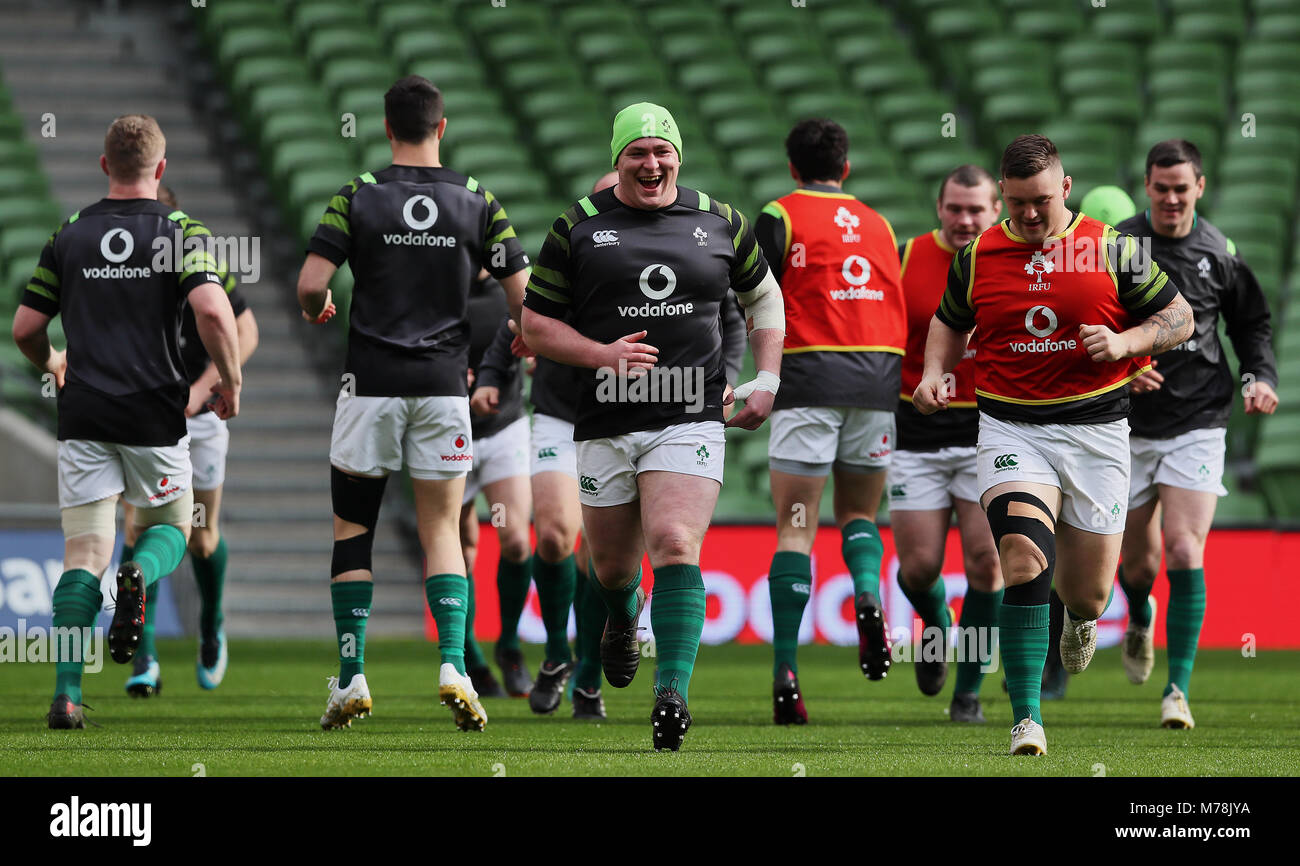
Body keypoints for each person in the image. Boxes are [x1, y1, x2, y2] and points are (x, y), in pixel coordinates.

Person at [914, 134, 1193, 756]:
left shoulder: (1113, 248)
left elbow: (1180, 319)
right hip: (1011, 429)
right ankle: (1027, 718)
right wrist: (936, 374)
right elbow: (948, 321)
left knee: (1089, 592)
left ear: (1065, 189)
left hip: (1096, 433)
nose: (1029, 215)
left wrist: (1126, 344)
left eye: (1040, 200)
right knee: (1019, 556)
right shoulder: (981, 253)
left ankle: (1084, 618)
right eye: (1016, 203)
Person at [521, 102, 785, 750]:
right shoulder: (577, 228)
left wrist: (767, 376)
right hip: (604, 419)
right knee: (612, 570)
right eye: (637, 152)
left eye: (662, 151)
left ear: (679, 156)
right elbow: (534, 326)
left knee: (673, 540)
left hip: (686, 415)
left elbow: (764, 298)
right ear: (617, 160)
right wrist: (601, 354)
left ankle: (672, 694)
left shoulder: (720, 221)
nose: (652, 162)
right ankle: (617, 622)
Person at [298, 76, 530, 732]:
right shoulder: (477, 200)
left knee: (353, 532)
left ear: (385, 126)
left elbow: (311, 284)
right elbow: (525, 299)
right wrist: (525, 341)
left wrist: (321, 308)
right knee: (442, 532)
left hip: (369, 383)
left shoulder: (358, 196)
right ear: (443, 127)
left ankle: (351, 679)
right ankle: (454, 666)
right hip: (441, 387)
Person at [12, 114, 241, 729]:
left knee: (83, 553)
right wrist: (231, 380)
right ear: (161, 169)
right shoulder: (179, 229)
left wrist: (55, 361)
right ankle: (138, 571)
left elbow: (26, 329)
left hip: (84, 411)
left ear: (104, 165)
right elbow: (216, 315)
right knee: (169, 523)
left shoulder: (71, 233)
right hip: (153, 413)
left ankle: (65, 695)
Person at [1116, 139, 1279, 728]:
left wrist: (1258, 375)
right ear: (1147, 186)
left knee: (1185, 548)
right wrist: (1123, 368)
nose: (1171, 199)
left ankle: (1176, 690)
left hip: (1199, 420)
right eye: (1160, 188)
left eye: (1181, 188)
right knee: (1136, 563)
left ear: (1199, 188)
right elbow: (1096, 325)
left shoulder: (1220, 251)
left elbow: (1251, 324)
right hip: (1128, 427)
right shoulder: (1121, 247)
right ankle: (1139, 613)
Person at [754, 118, 906, 724]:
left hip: (809, 377)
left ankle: (786, 673)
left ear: (793, 167)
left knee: (796, 529)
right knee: (861, 515)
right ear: (846, 168)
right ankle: (868, 593)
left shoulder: (778, 214)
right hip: (877, 380)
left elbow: (753, 296)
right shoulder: (880, 222)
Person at [119, 183, 259, 697]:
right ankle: (146, 658)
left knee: (201, 535)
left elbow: (245, 330)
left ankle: (210, 625)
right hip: (142, 417)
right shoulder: (120, 267)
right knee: (137, 530)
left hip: (198, 418)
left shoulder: (202, 261)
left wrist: (205, 388)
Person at [890, 165, 1003, 723]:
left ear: (996, 209)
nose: (964, 220)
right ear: (940, 208)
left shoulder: (1010, 260)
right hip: (915, 433)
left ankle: (968, 693)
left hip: (992, 434)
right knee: (918, 569)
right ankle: (935, 624)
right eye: (955, 209)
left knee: (988, 565)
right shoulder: (904, 257)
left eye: (975, 210)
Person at [1038, 184, 1139, 702]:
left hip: (1116, 427)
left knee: (1099, 578)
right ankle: (1041, 676)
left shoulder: (1131, 257)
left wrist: (1134, 357)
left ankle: (1102, 613)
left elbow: (1172, 325)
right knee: (1034, 544)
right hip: (1038, 422)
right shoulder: (1042, 258)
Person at [461, 269, 532, 700]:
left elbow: (539, 327)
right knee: (460, 545)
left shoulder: (513, 288)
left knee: (516, 541)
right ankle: (469, 655)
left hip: (503, 426)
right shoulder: (435, 282)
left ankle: (509, 644)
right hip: (443, 427)